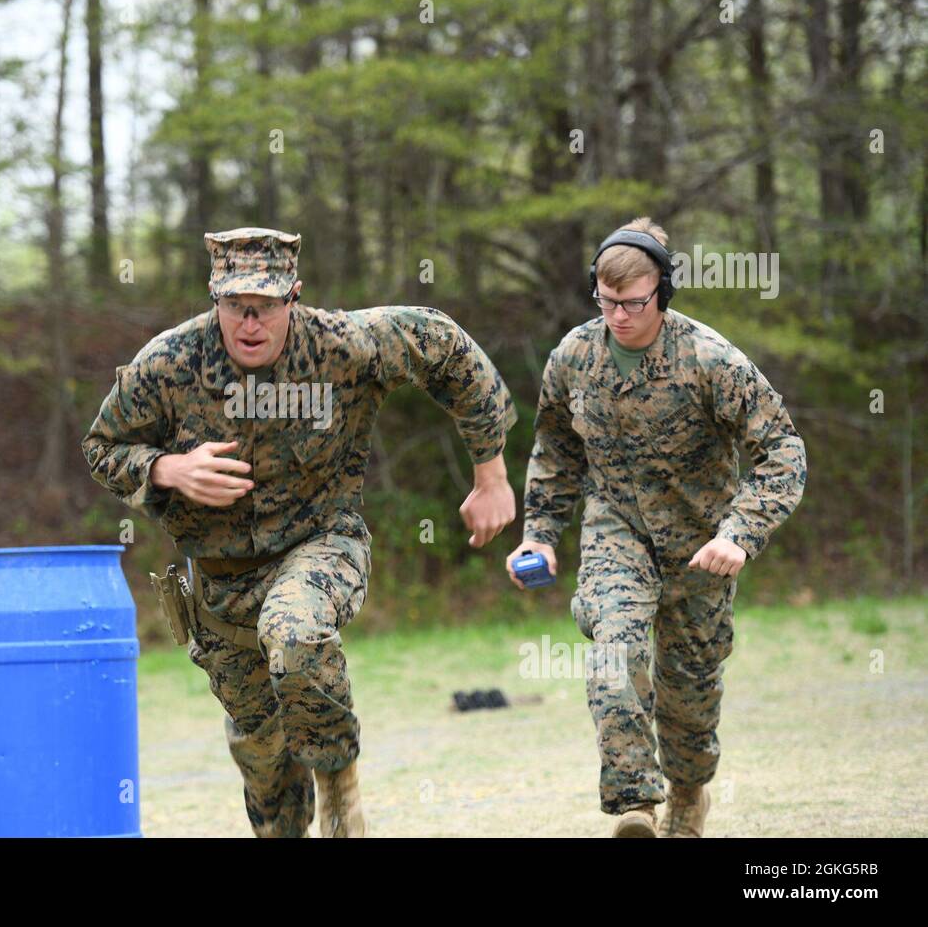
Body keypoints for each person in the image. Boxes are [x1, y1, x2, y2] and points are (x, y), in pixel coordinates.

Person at [83, 227, 518, 837]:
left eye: (266, 305)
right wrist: (167, 469)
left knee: (294, 633)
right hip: (219, 586)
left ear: (295, 296)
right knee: (266, 769)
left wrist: (491, 474)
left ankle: (339, 783)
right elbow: (102, 446)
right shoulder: (168, 363)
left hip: (321, 544)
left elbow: (445, 346)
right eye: (236, 306)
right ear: (215, 299)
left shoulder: (344, 345)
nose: (251, 322)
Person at [507, 217, 807, 837]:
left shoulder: (708, 358)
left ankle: (688, 798)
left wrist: (739, 534)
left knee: (689, 705)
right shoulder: (575, 356)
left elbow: (782, 450)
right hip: (617, 533)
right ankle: (635, 806)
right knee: (614, 652)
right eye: (607, 301)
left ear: (663, 294)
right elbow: (556, 449)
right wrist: (539, 532)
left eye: (634, 303)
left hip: (703, 546)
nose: (618, 316)